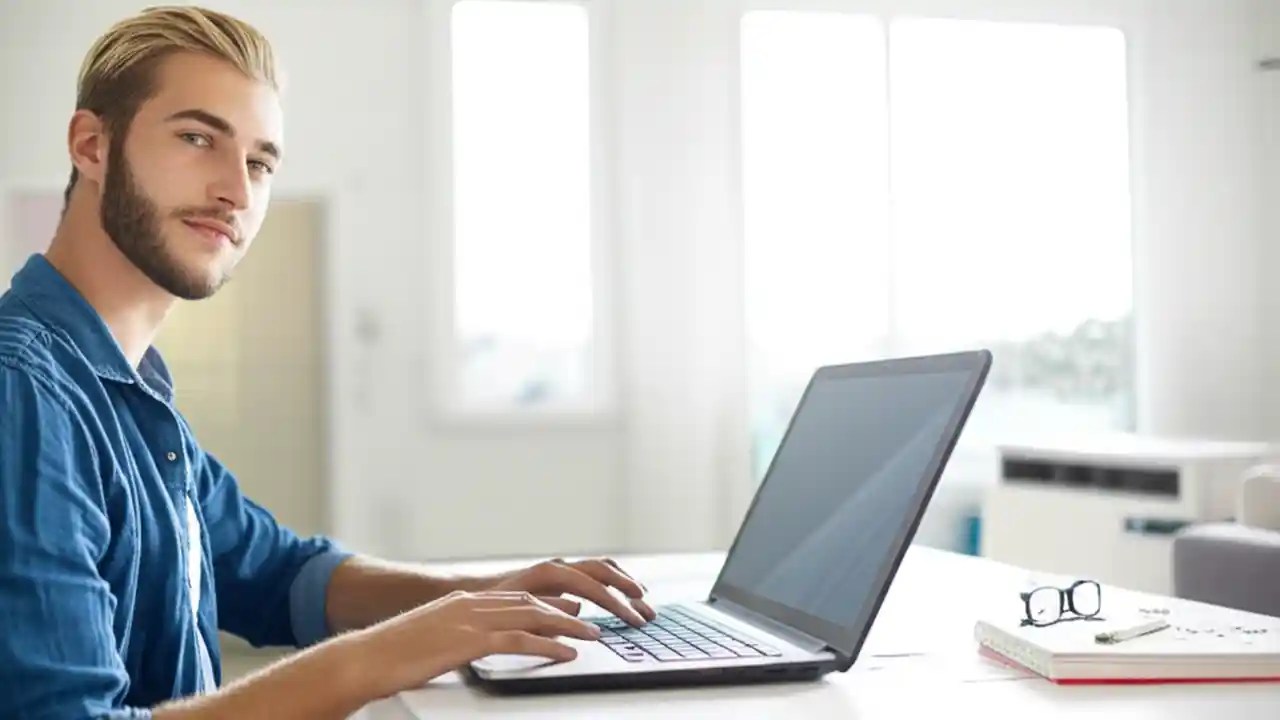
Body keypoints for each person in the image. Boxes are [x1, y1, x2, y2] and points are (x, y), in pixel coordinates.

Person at [0, 7, 655, 719]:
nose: (237, 191)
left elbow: (283, 576)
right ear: (92, 146)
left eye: (259, 162)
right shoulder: (24, 392)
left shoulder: (129, 393)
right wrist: (385, 655)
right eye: (197, 139)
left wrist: (487, 597)